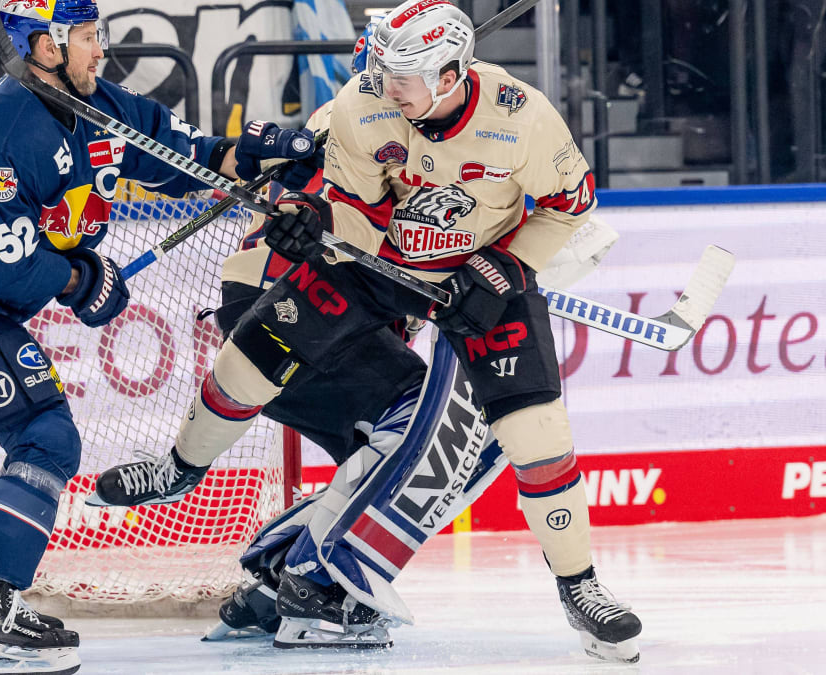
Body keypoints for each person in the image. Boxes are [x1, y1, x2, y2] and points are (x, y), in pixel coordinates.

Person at [93, 0, 642, 663]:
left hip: (483, 276)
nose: (384, 81)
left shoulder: (520, 117)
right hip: (383, 268)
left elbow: (571, 207)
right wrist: (315, 224)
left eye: (402, 72)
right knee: (259, 345)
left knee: (535, 432)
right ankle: (183, 472)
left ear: (450, 73)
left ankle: (579, 585)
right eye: (380, 66)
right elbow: (357, 214)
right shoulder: (362, 105)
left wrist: (504, 264)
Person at [0, 1, 317, 673]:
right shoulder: (10, 122)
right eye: (85, 37)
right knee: (46, 435)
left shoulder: (99, 105)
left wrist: (254, 153)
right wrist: (83, 278)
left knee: (44, 435)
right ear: (45, 46)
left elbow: (190, 158)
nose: (99, 49)